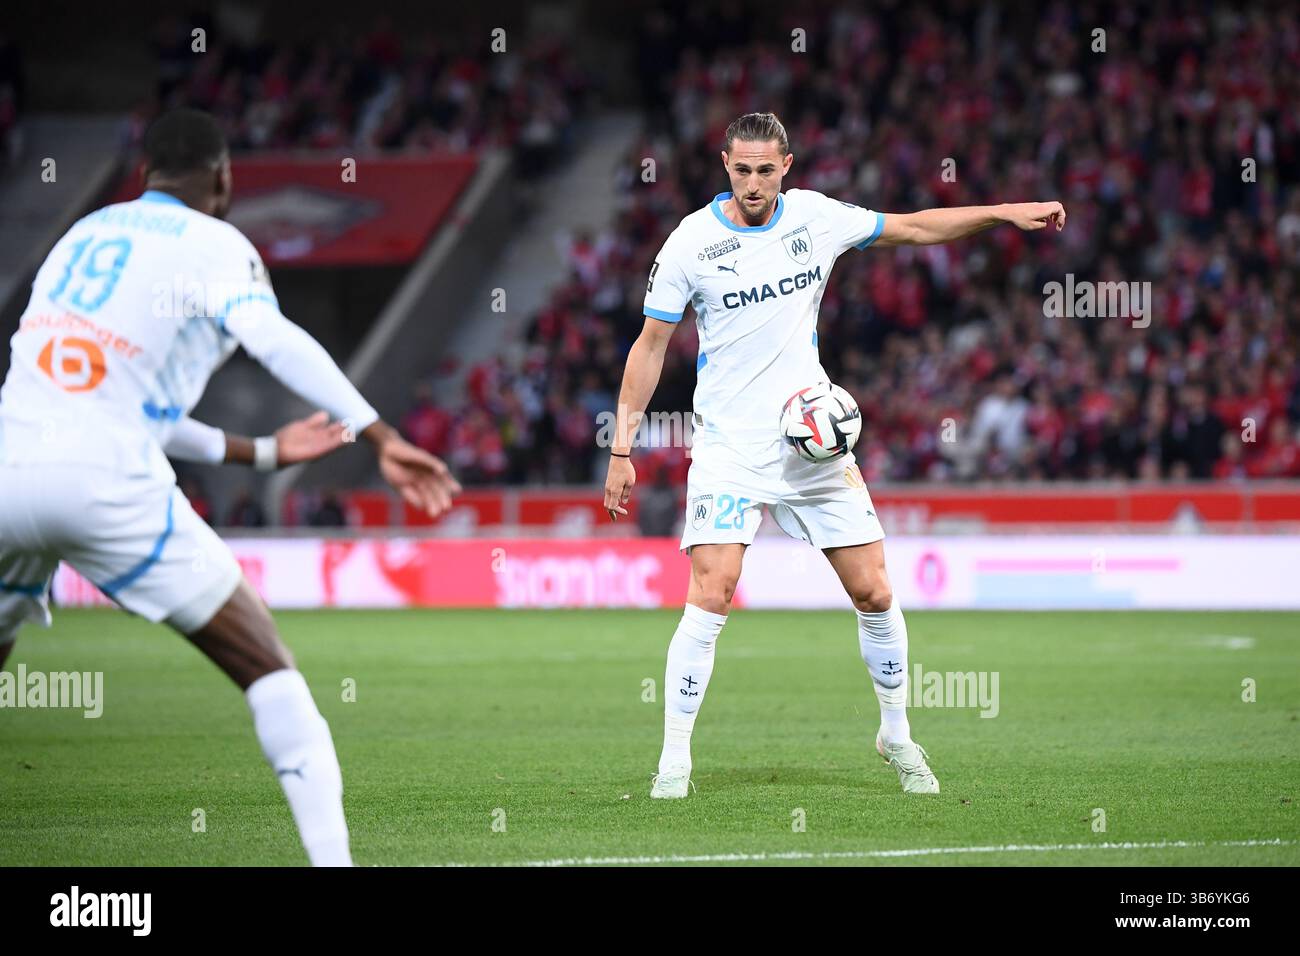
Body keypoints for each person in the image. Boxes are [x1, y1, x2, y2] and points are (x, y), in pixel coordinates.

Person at [0, 108, 461, 865]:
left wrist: (263, 453)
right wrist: (379, 434)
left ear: (144, 174)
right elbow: (274, 339)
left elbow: (118, 395)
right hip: (106, 481)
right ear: (222, 178)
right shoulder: (216, 245)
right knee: (267, 666)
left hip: (10, 467)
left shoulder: (78, 237)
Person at [603, 112, 1066, 798]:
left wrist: (1002, 213)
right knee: (713, 590)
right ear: (724, 164)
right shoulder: (690, 244)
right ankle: (675, 759)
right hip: (730, 446)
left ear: (786, 165)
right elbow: (650, 346)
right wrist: (622, 446)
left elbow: (911, 226)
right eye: (742, 169)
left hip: (811, 442)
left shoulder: (817, 219)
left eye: (766, 170)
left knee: (874, 590)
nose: (754, 183)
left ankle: (896, 733)